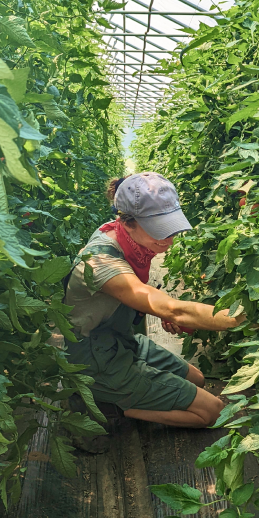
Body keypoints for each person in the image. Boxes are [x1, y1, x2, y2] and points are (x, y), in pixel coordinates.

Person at [63, 171, 245, 428]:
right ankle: (111, 405)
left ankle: (126, 393)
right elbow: (173, 309)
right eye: (158, 230)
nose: (168, 240)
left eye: (170, 227)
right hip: (94, 358)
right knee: (213, 412)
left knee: (198, 379)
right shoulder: (99, 262)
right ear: (127, 222)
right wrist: (243, 317)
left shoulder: (124, 238)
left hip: (120, 341)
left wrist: (160, 313)